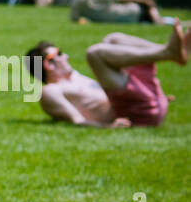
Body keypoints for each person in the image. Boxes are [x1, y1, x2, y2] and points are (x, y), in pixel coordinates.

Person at [25, 22, 186, 128]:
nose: (66, 56)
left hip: (145, 100)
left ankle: (174, 50)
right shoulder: (51, 91)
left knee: (112, 39)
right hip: (134, 115)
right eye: (58, 54)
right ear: (48, 64)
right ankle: (168, 52)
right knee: (94, 53)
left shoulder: (74, 76)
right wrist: (109, 127)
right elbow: (77, 121)